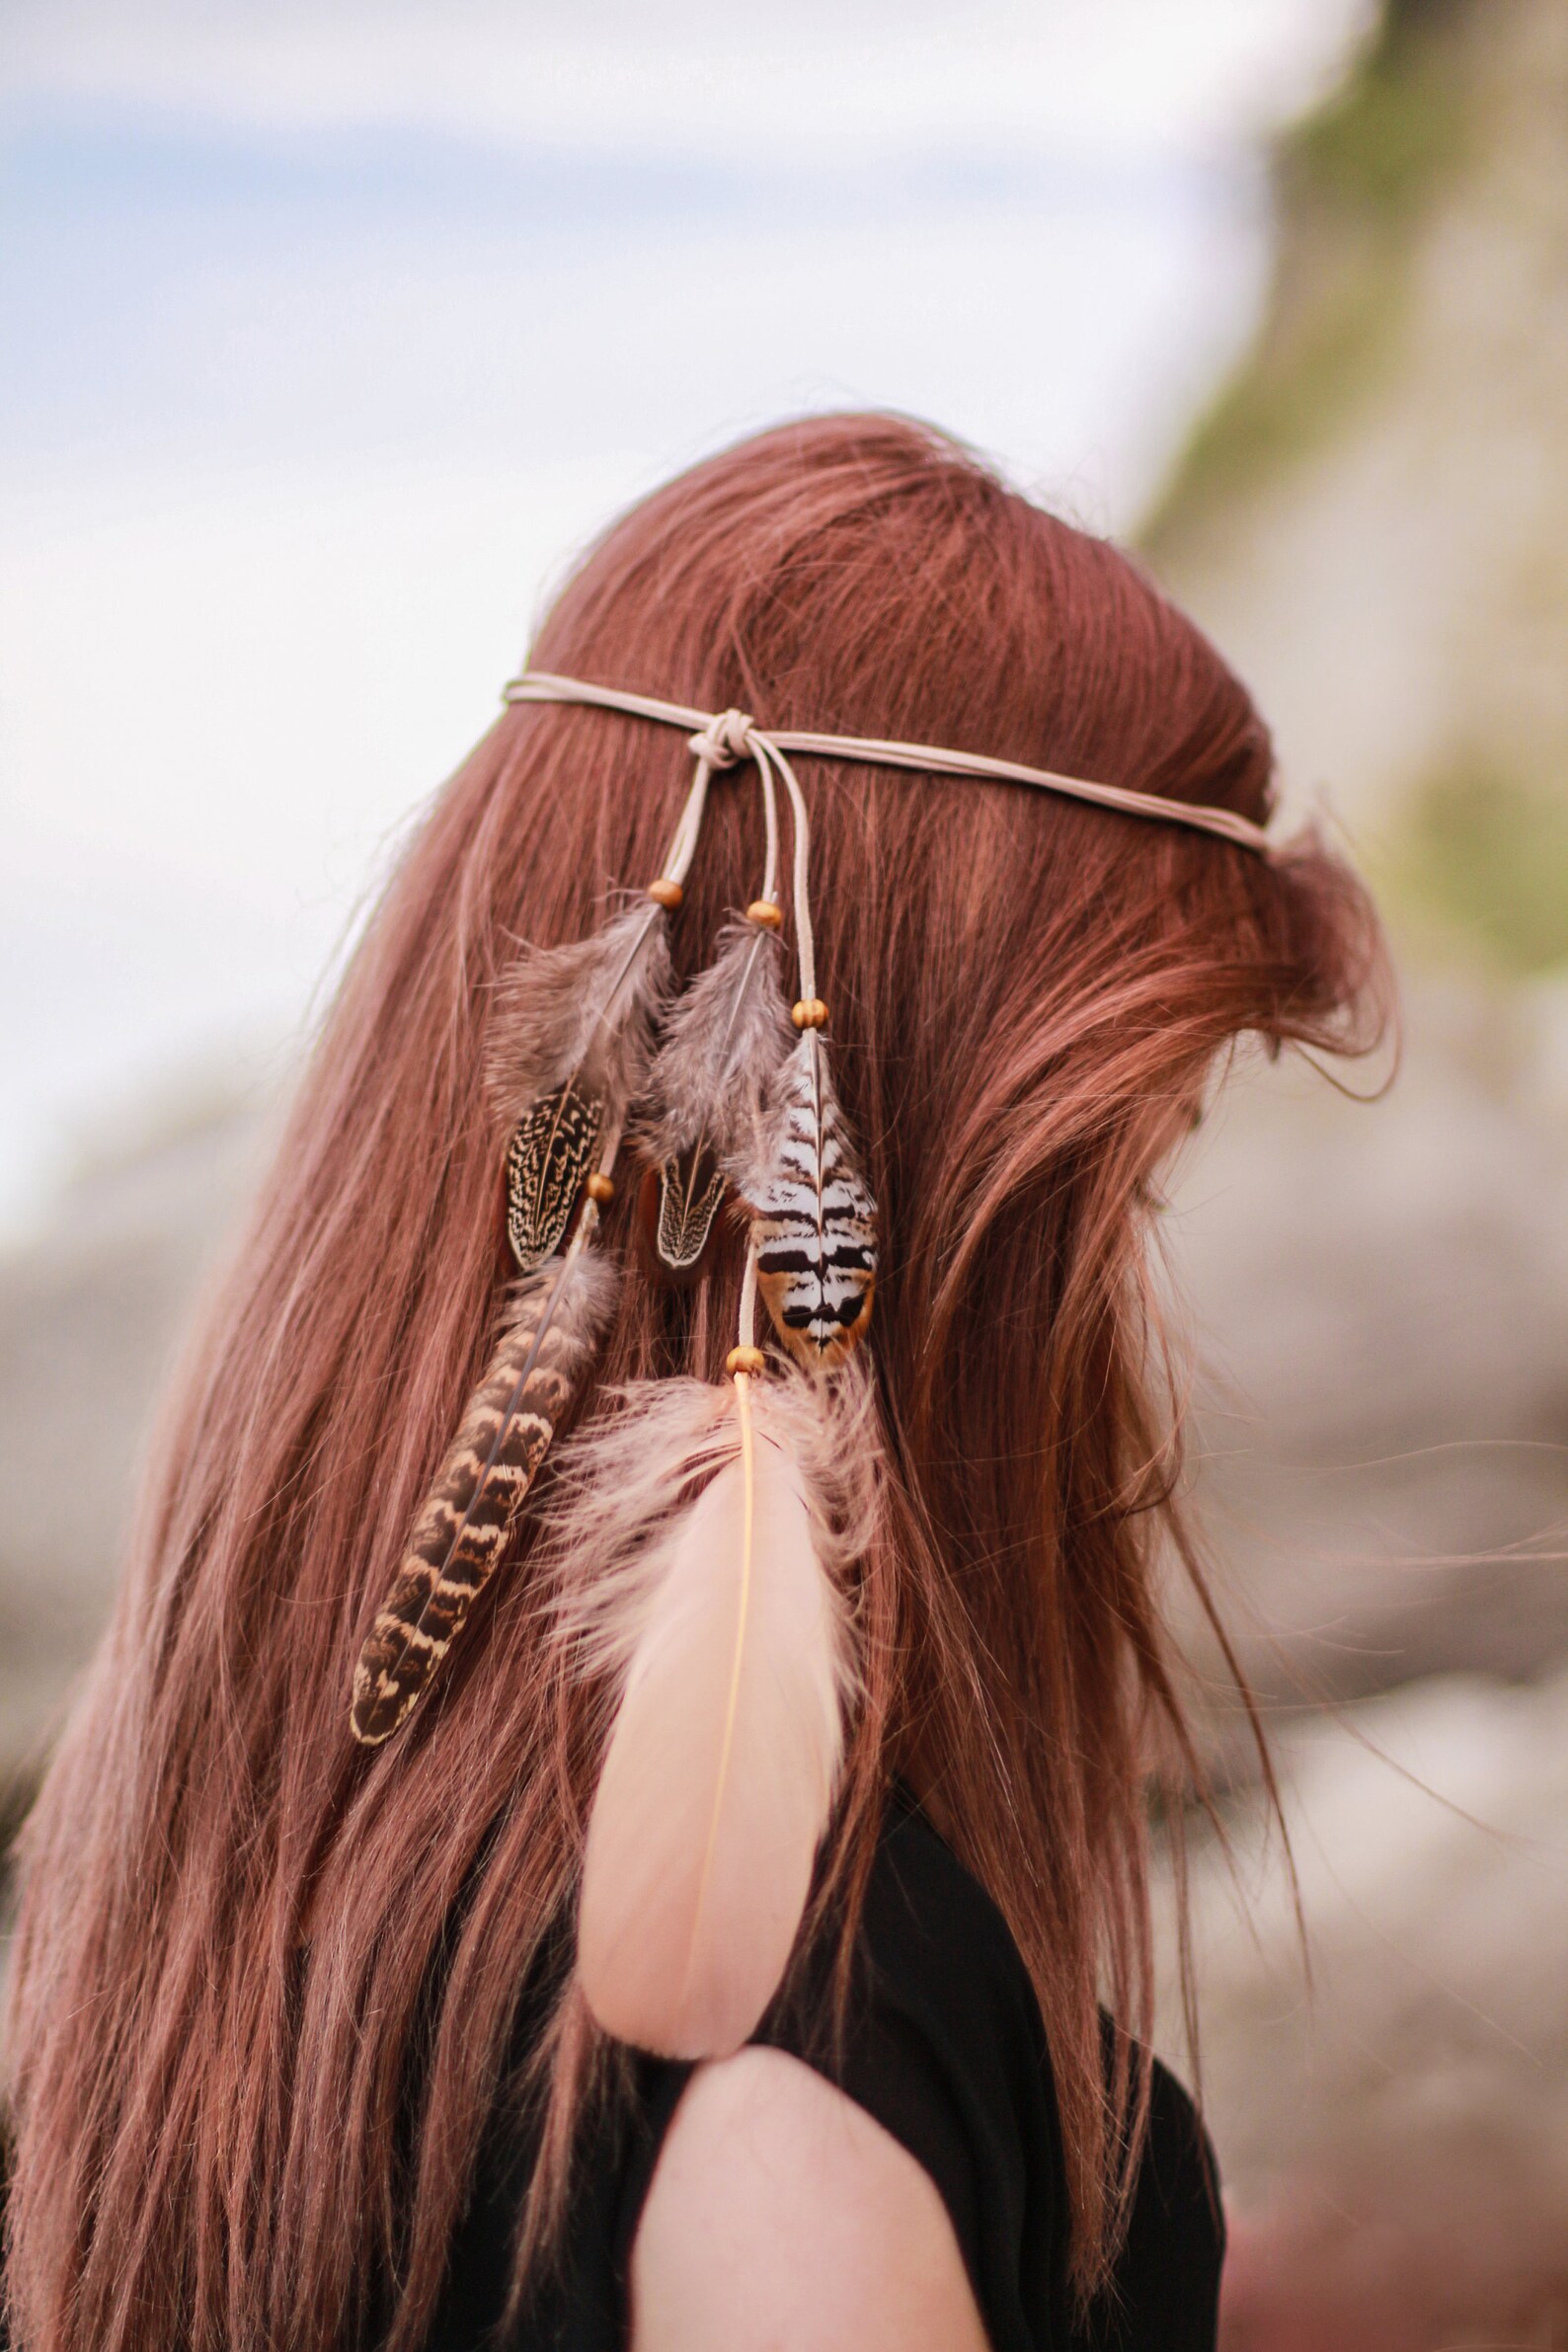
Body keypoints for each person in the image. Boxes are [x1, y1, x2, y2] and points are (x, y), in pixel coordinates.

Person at [2, 414, 1386, 2352]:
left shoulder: (213, 1929)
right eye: (1119, 1190)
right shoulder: (802, 2117)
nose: (1126, 1339)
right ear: (928, 1193)